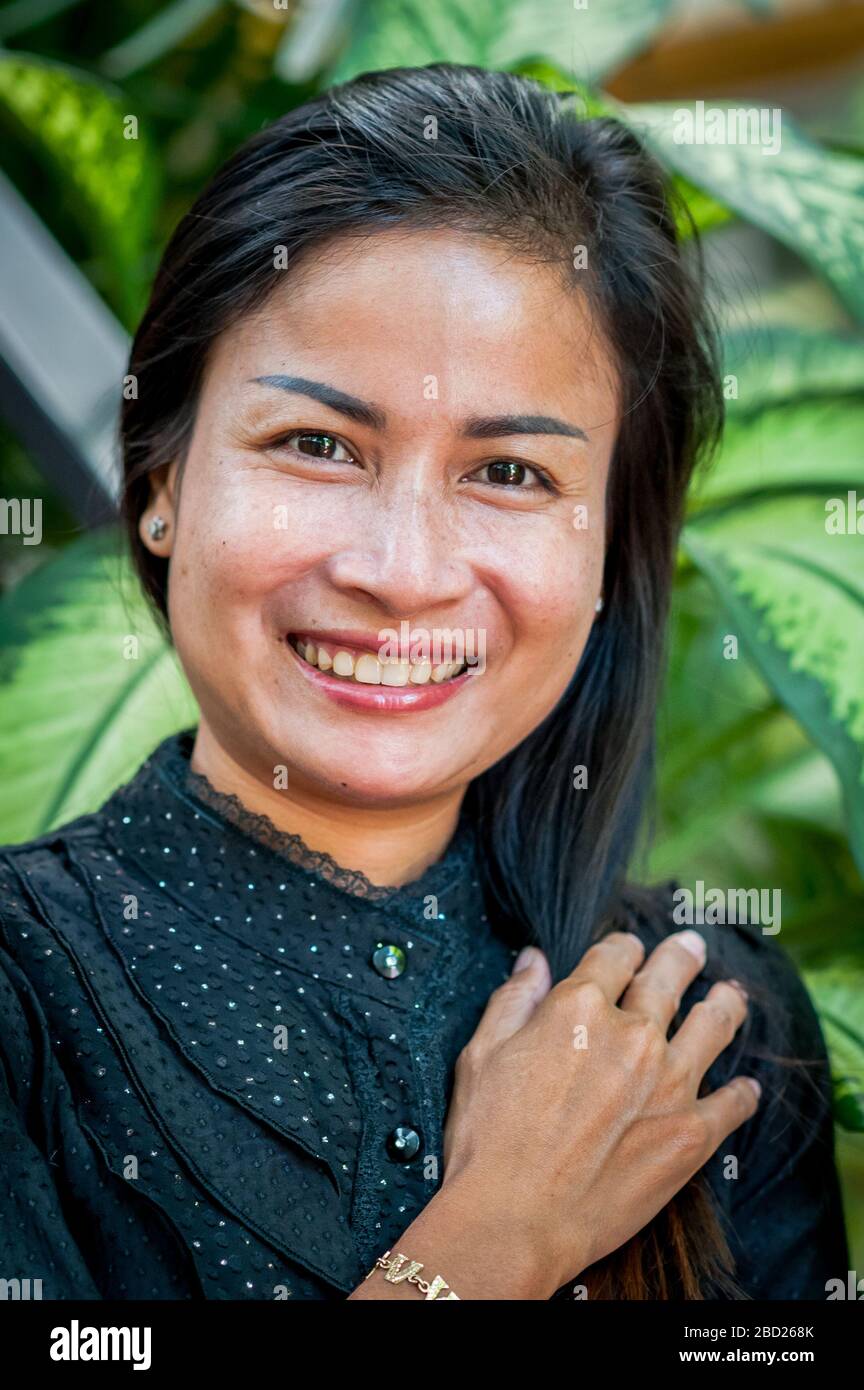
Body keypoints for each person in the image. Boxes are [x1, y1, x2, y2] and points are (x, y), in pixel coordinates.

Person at [0, 63, 848, 1301]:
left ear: (611, 545)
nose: (402, 573)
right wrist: (491, 1245)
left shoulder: (703, 1030)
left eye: (509, 473)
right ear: (166, 479)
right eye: (317, 445)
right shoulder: (28, 1003)